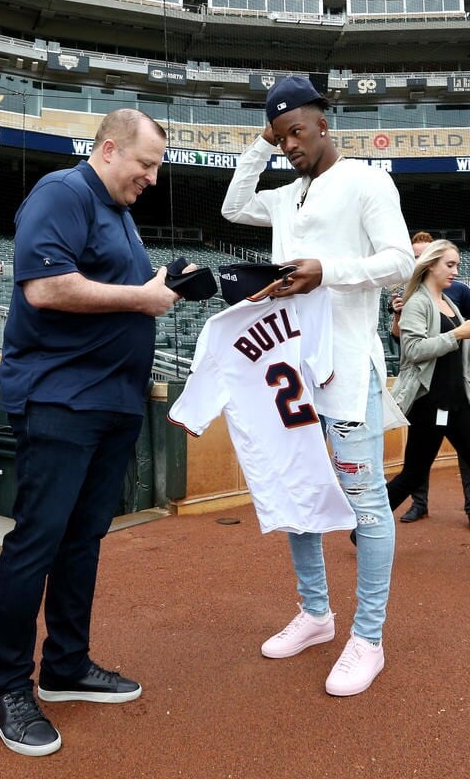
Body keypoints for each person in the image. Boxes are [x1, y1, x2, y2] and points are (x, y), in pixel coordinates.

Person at [0, 109, 183, 756]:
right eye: (145, 164)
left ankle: (67, 663)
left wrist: (158, 290)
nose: (152, 178)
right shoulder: (64, 192)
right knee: (38, 541)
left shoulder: (119, 215)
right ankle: (6, 686)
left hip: (112, 402)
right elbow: (45, 288)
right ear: (107, 150)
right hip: (59, 397)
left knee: (82, 540)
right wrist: (143, 299)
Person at [221, 75, 414, 697]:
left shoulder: (366, 180)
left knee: (366, 505)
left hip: (350, 370)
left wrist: (326, 271)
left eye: (296, 131)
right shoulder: (284, 194)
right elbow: (231, 205)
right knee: (300, 491)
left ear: (325, 122)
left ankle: (369, 637)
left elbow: (399, 263)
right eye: (280, 138)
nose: (290, 146)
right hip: (292, 372)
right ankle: (316, 613)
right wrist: (260, 141)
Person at [387, 231, 470, 524]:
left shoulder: (449, 301)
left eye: (457, 265)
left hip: (458, 401)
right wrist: (456, 334)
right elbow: (412, 349)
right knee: (413, 474)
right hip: (433, 405)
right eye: (450, 265)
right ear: (432, 264)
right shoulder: (418, 302)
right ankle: (368, 524)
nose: (456, 271)